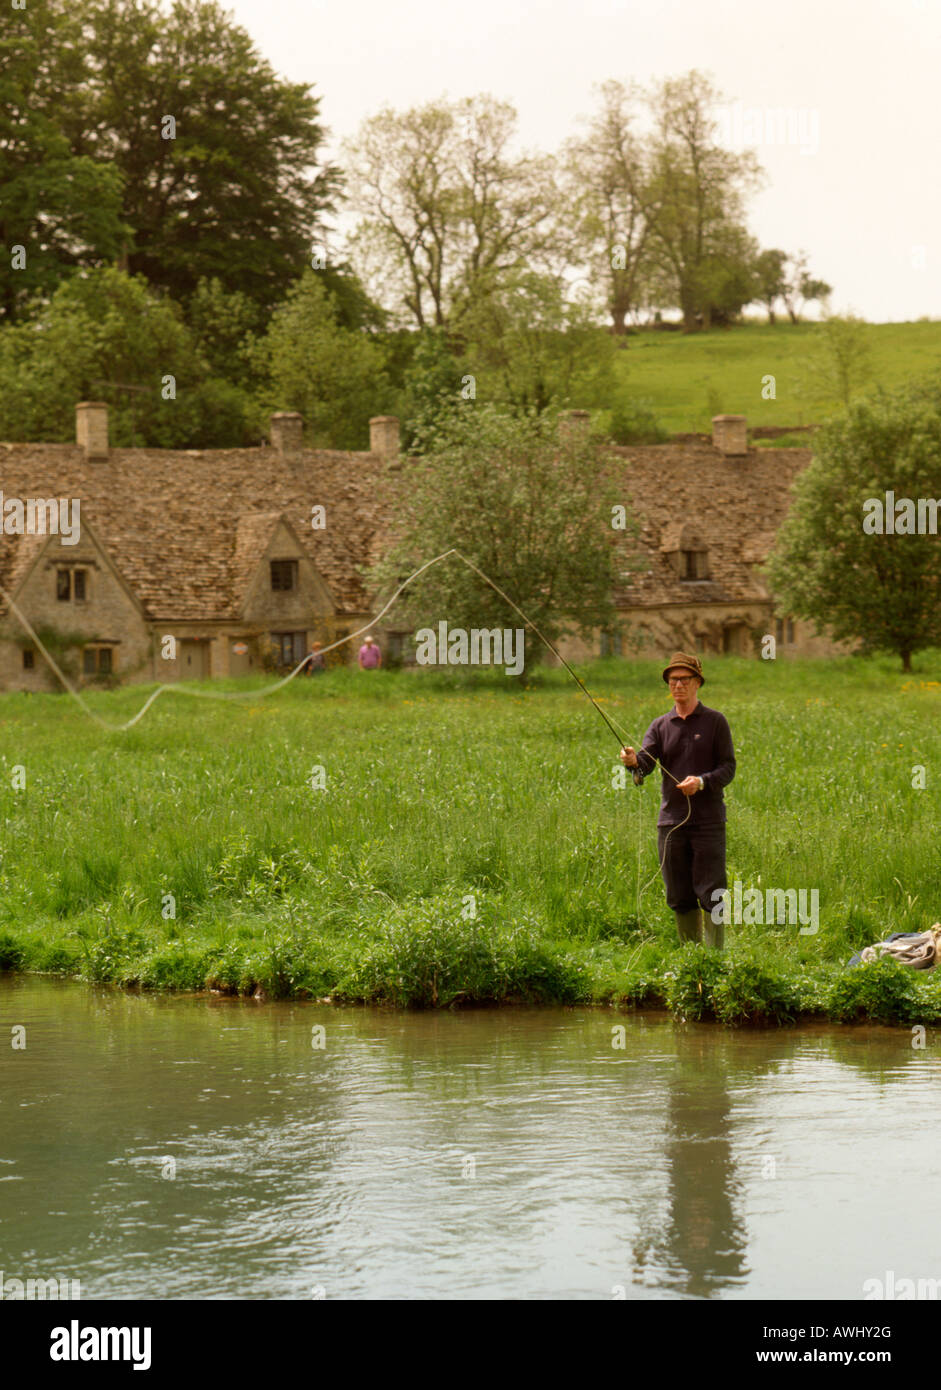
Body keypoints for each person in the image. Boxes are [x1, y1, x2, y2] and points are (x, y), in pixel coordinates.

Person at [619, 652, 735, 948]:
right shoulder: (660, 726)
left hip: (708, 821)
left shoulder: (715, 722)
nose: (678, 685)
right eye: (673, 680)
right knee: (679, 892)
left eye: (684, 679)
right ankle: (691, 961)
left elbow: (728, 768)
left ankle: (716, 959)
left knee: (713, 891)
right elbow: (644, 764)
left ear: (697, 683)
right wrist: (632, 761)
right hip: (671, 823)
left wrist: (701, 782)